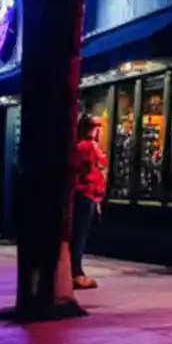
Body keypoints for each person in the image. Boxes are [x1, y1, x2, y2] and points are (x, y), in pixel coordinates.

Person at [72, 115, 108, 290]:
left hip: (89, 194)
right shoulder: (86, 147)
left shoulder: (84, 146)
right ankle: (76, 271)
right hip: (87, 194)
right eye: (94, 127)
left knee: (80, 233)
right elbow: (91, 170)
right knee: (80, 233)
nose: (96, 130)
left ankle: (76, 268)